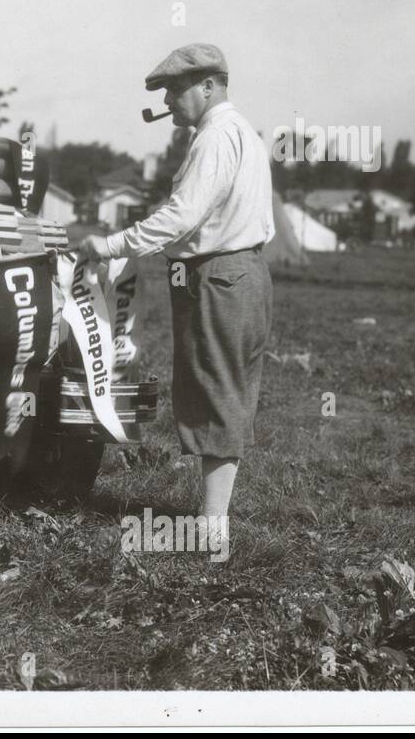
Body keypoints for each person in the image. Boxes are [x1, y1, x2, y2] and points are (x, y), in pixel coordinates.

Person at [81, 43, 274, 527]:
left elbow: (181, 217)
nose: (167, 101)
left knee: (216, 392)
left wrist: (109, 246)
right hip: (245, 272)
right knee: (228, 391)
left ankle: (212, 529)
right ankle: (214, 521)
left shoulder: (214, 138)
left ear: (209, 87)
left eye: (175, 90)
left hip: (218, 275)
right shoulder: (243, 132)